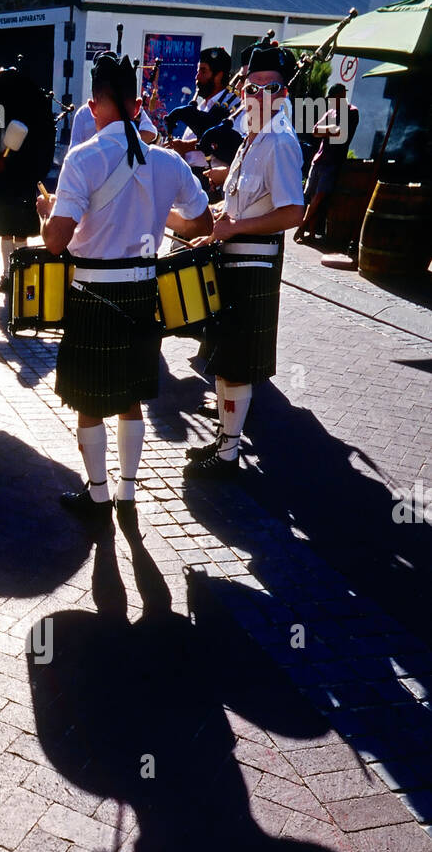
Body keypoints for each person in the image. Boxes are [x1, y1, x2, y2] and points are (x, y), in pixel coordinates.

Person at [37, 52, 212, 527]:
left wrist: (45, 210)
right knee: (130, 395)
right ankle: (128, 493)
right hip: (142, 291)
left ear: (94, 106)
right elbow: (203, 221)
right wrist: (156, 216)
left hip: (94, 293)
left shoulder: (82, 158)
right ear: (137, 105)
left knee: (92, 400)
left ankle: (98, 496)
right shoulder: (167, 162)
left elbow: (56, 242)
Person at [186, 44, 304, 480]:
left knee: (235, 363)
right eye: (249, 88)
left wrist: (233, 228)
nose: (256, 96)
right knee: (221, 358)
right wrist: (219, 218)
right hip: (232, 260)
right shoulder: (252, 136)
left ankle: (230, 454)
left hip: (254, 264)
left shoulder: (280, 141)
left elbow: (294, 213)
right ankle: (225, 441)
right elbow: (243, 202)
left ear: (283, 94)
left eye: (267, 89)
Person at [294, 83, 359, 244]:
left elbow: (341, 133)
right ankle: (310, 232)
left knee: (319, 196)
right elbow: (316, 130)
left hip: (333, 161)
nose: (331, 102)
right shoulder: (331, 112)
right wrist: (331, 129)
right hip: (319, 159)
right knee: (310, 196)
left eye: (333, 98)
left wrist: (328, 130)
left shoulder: (352, 112)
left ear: (342, 96)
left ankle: (301, 227)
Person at [170, 47, 239, 174]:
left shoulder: (234, 106)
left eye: (203, 71)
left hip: (210, 179)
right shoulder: (202, 106)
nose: (197, 77)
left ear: (219, 76)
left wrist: (185, 146)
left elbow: (227, 141)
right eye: (198, 71)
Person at [69, 92, 157, 148]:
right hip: (93, 170)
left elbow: (150, 133)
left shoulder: (130, 107)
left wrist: (123, 146)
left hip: (124, 168)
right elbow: (74, 147)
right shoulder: (83, 113)